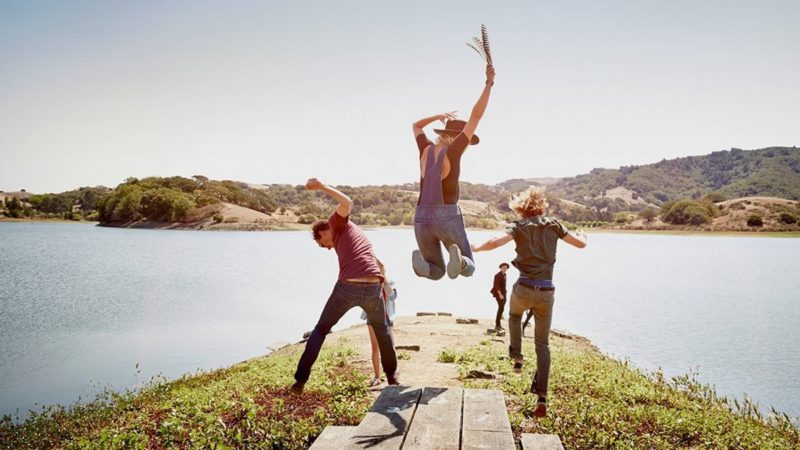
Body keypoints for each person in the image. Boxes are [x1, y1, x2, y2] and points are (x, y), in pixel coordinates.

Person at [472, 187, 587, 417]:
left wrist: (475, 248)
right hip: (546, 291)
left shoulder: (519, 226)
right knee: (542, 345)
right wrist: (584, 235)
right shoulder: (554, 224)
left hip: (523, 288)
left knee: (514, 316)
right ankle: (542, 398)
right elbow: (580, 244)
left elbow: (496, 242)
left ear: (521, 208)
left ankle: (517, 356)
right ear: (542, 206)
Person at [291, 178, 399, 394]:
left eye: (323, 245)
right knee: (382, 330)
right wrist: (384, 284)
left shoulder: (337, 224)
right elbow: (377, 263)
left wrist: (321, 187)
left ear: (322, 232)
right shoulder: (357, 234)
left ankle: (300, 382)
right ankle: (392, 379)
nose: (328, 248)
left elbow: (347, 202)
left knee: (321, 329)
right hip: (372, 288)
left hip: (348, 287)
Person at [410, 64, 495, 280]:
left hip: (421, 217)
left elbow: (416, 126)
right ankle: (460, 260)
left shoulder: (425, 149)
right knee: (470, 268)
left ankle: (425, 264)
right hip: (447, 217)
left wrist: (437, 115)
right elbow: (476, 117)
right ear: (458, 138)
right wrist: (488, 84)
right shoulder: (454, 151)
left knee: (436, 271)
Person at [362, 259, 397, 387]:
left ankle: (393, 374)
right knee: (375, 348)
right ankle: (377, 377)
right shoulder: (369, 282)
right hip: (372, 318)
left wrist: (384, 281)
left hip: (387, 318)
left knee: (391, 347)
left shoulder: (390, 282)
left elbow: (393, 297)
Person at [491, 263, 510, 331]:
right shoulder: (497, 275)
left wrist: (504, 293)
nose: (505, 269)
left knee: (502, 308)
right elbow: (496, 286)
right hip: (499, 294)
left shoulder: (504, 275)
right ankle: (497, 324)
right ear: (501, 268)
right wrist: (500, 294)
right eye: (504, 267)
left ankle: (499, 324)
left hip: (504, 293)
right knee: (500, 308)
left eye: (506, 268)